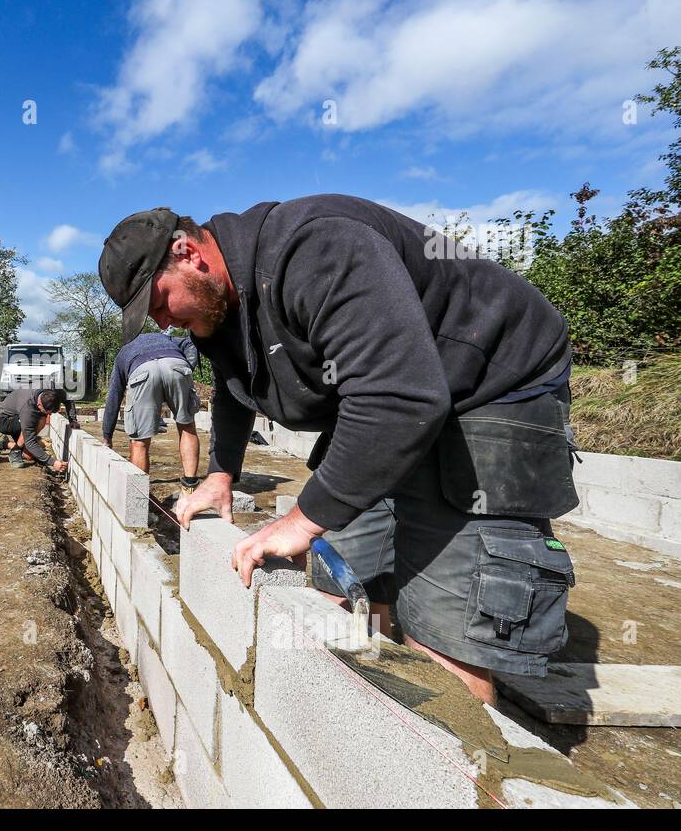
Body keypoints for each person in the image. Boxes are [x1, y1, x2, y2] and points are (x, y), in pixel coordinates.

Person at [97, 197, 578, 704]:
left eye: (159, 303)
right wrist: (221, 473)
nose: (165, 325)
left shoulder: (316, 247)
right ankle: (373, 705)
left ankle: (445, 750)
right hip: (390, 405)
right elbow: (236, 382)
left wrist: (303, 520)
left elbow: (400, 396)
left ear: (187, 252)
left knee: (442, 633)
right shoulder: (224, 302)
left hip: (486, 391)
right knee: (339, 590)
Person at [101, 331, 201, 492]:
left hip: (142, 371)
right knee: (187, 426)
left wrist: (107, 436)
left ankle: (138, 498)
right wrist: (187, 367)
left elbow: (114, 396)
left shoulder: (124, 352)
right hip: (176, 365)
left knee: (140, 440)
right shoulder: (166, 338)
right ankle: (190, 487)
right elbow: (191, 342)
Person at [0, 387, 77, 472]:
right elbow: (30, 443)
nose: (50, 414)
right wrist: (53, 462)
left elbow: (68, 399)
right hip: (4, 420)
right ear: (39, 405)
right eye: (47, 412)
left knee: (29, 456)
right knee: (41, 420)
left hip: (19, 417)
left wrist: (72, 420)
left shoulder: (53, 393)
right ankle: (15, 451)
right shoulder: (27, 410)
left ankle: (4, 443)